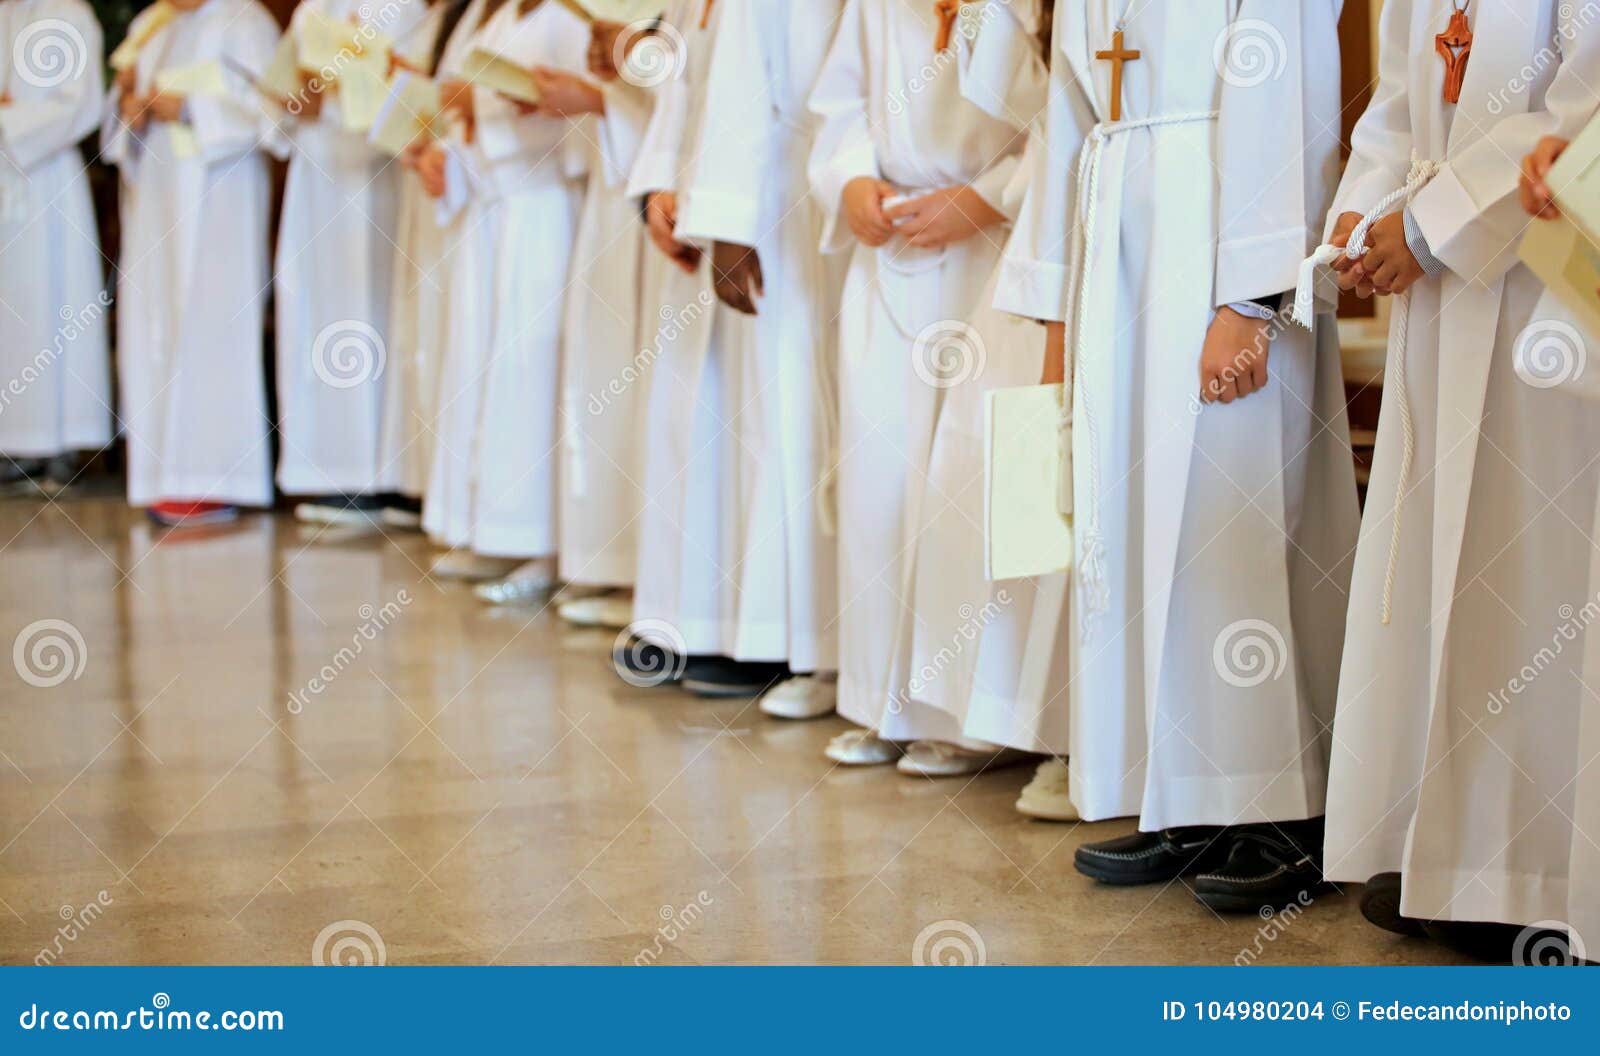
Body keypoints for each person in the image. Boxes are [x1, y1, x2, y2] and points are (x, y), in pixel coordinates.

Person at [997, 1, 1356, 910]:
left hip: (1216, 233)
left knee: (1233, 501)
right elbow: (1067, 121)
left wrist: (1252, 295)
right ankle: (1184, 796)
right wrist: (1054, 303)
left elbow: (1289, 89)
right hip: (1113, 228)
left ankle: (1280, 809)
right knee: (1137, 519)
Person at [1327, 0, 1600, 949]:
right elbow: (1396, 104)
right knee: (1441, 564)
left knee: (1531, 577)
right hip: (1431, 283)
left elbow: (1580, 106)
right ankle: (1456, 855)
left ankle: (1537, 872)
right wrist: (1363, 218)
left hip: (1541, 278)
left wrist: (1433, 224)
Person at [805, 0, 1031, 766]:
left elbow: (1061, 113)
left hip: (995, 244)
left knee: (970, 484)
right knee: (880, 480)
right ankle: (883, 702)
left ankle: (972, 719)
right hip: (896, 240)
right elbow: (837, 104)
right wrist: (851, 180)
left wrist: (986, 196)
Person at [669, 0, 846, 715]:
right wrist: (729, 222)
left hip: (877, 179)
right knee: (791, 412)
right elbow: (739, 74)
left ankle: (850, 646)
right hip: (790, 196)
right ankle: (792, 639)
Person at [611, 0, 789, 698]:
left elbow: (763, 94)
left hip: (766, 207)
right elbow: (680, 92)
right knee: (690, 424)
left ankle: (763, 636)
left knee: (755, 424)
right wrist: (656, 189)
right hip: (700, 209)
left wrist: (729, 216)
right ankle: (694, 618)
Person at [419, 0, 592, 588]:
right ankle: (487, 527)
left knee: (530, 372)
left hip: (543, 211)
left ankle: (540, 538)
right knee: (480, 371)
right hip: (493, 213)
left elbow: (584, 122)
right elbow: (466, 123)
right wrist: (447, 161)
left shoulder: (568, 16)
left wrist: (483, 101)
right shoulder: (496, 18)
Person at [104, 0, 284, 528]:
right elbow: (117, 125)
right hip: (159, 194)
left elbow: (273, 111)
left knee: (211, 326)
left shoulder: (247, 21)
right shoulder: (152, 24)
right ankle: (162, 475)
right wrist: (132, 109)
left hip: (219, 196)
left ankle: (215, 478)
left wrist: (192, 109)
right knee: (156, 325)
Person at [273, 0, 430, 529]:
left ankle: (385, 475)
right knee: (315, 315)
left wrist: (359, 78)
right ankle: (327, 468)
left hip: (376, 174)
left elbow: (415, 83)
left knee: (374, 314)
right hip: (316, 172)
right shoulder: (310, 11)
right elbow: (283, 93)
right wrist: (299, 99)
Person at [536, 17, 654, 625]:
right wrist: (609, 72)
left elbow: (694, 101)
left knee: (639, 381)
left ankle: (641, 572)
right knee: (603, 381)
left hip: (654, 204)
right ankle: (609, 563)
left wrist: (607, 90)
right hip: (612, 205)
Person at [0, 0, 111, 497]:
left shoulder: (71, 15)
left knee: (52, 302)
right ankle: (11, 440)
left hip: (48, 182)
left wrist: (12, 120)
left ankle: (59, 442)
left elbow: (82, 103)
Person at [375, 0, 478, 531]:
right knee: (431, 335)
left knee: (457, 341)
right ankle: (431, 491)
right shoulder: (446, 17)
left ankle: (453, 502)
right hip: (445, 182)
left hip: (483, 190)